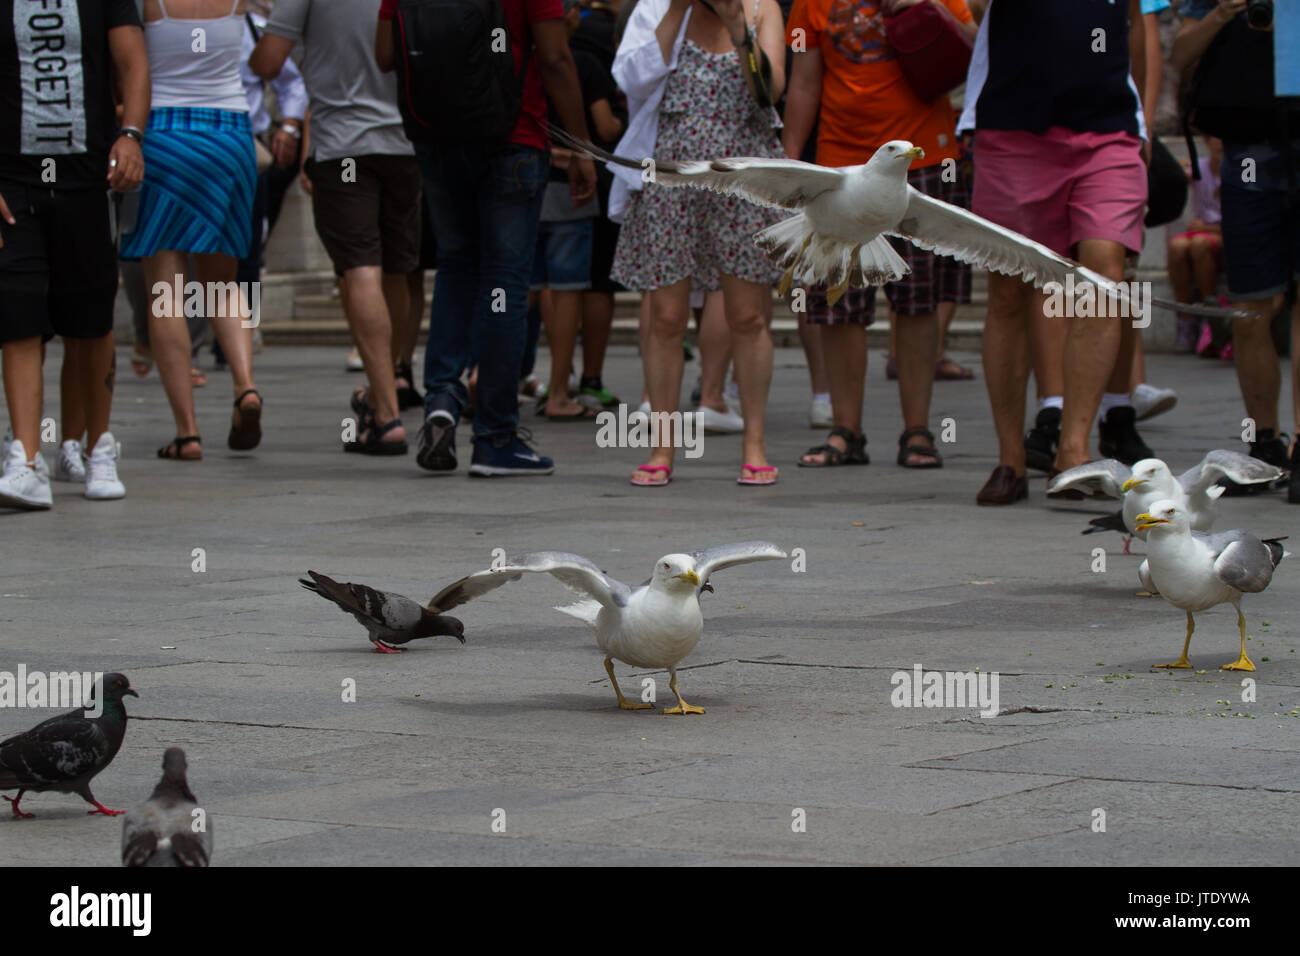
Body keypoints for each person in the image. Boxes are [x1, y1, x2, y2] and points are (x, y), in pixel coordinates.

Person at [378, 0, 596, 477]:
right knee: (504, 282)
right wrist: (580, 146)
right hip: (513, 137)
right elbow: (557, 59)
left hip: (437, 141)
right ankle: (495, 437)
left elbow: (385, 54)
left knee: (456, 266)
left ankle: (441, 397)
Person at [963, 0, 1153, 504]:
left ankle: (1074, 449)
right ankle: (1012, 459)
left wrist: (1144, 122)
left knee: (1104, 278)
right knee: (1008, 294)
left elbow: (1134, 27)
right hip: (1014, 130)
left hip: (1109, 131)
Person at [782, 0, 976, 472]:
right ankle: (845, 431)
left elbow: (976, 52)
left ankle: (917, 431)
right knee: (839, 306)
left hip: (923, 164)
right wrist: (789, 165)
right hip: (839, 165)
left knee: (918, 301)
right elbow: (805, 83)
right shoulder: (811, 3)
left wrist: (931, 6)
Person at [612, 0, 786, 487]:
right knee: (666, 317)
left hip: (744, 181)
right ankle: (663, 446)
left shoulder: (760, 9)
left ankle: (755, 442)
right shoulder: (658, 8)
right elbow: (633, 80)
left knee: (748, 316)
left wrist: (738, 28)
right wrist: (677, 11)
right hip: (670, 177)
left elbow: (768, 93)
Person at [253, 0, 419, 456]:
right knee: (396, 269)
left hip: (344, 146)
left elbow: (267, 61)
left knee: (360, 268)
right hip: (406, 144)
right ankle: (392, 378)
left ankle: (385, 413)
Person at [0, 0, 147, 508]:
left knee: (91, 318)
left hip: (87, 175)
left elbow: (133, 62)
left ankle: (96, 447)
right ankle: (24, 458)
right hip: (12, 176)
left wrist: (131, 135)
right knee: (16, 311)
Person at [120, 0, 263, 462]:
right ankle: (245, 386)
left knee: (166, 288)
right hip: (230, 135)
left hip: (164, 135)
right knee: (222, 283)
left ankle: (187, 432)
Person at [1174, 0, 1299, 501]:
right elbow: (1181, 52)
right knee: (1252, 308)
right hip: (1248, 149)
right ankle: (1264, 443)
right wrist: (1226, 11)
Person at [1166, 135, 1227, 354]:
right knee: (1177, 246)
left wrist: (1206, 229)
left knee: (1199, 243)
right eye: (1214, 137)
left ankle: (1209, 311)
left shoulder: (1245, 167)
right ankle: (1186, 318)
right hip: (1201, 233)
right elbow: (1176, 176)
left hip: (1222, 234)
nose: (1220, 142)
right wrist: (1176, 168)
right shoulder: (1200, 166)